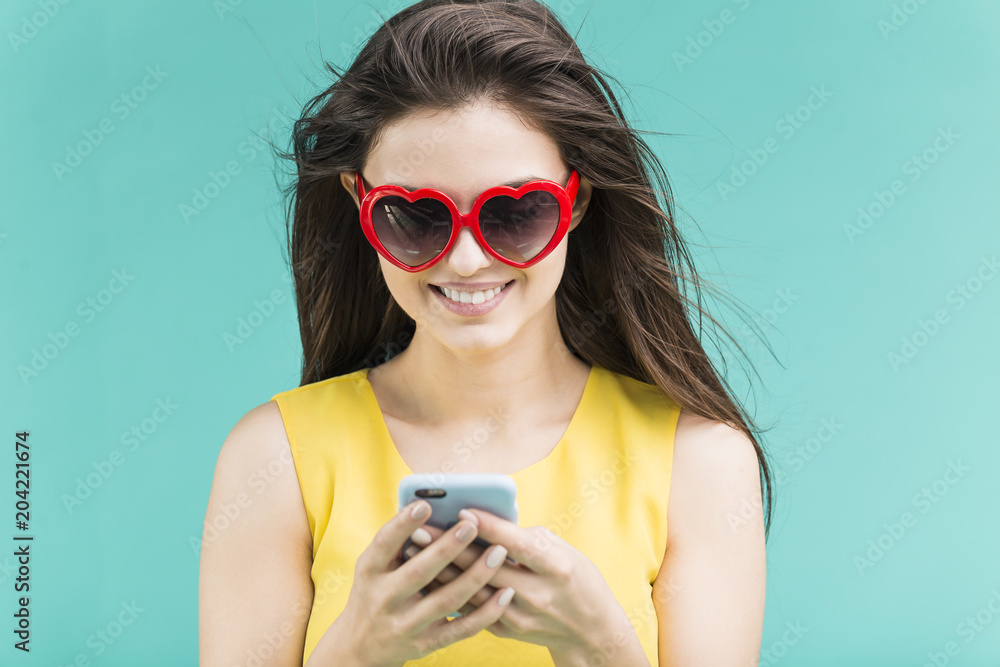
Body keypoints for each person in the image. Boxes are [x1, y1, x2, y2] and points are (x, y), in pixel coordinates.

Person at [199, 1, 773, 665]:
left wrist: (601, 645)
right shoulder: (271, 460)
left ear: (576, 200)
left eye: (516, 212)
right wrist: (355, 650)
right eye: (415, 217)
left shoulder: (700, 461)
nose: (467, 260)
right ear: (362, 202)